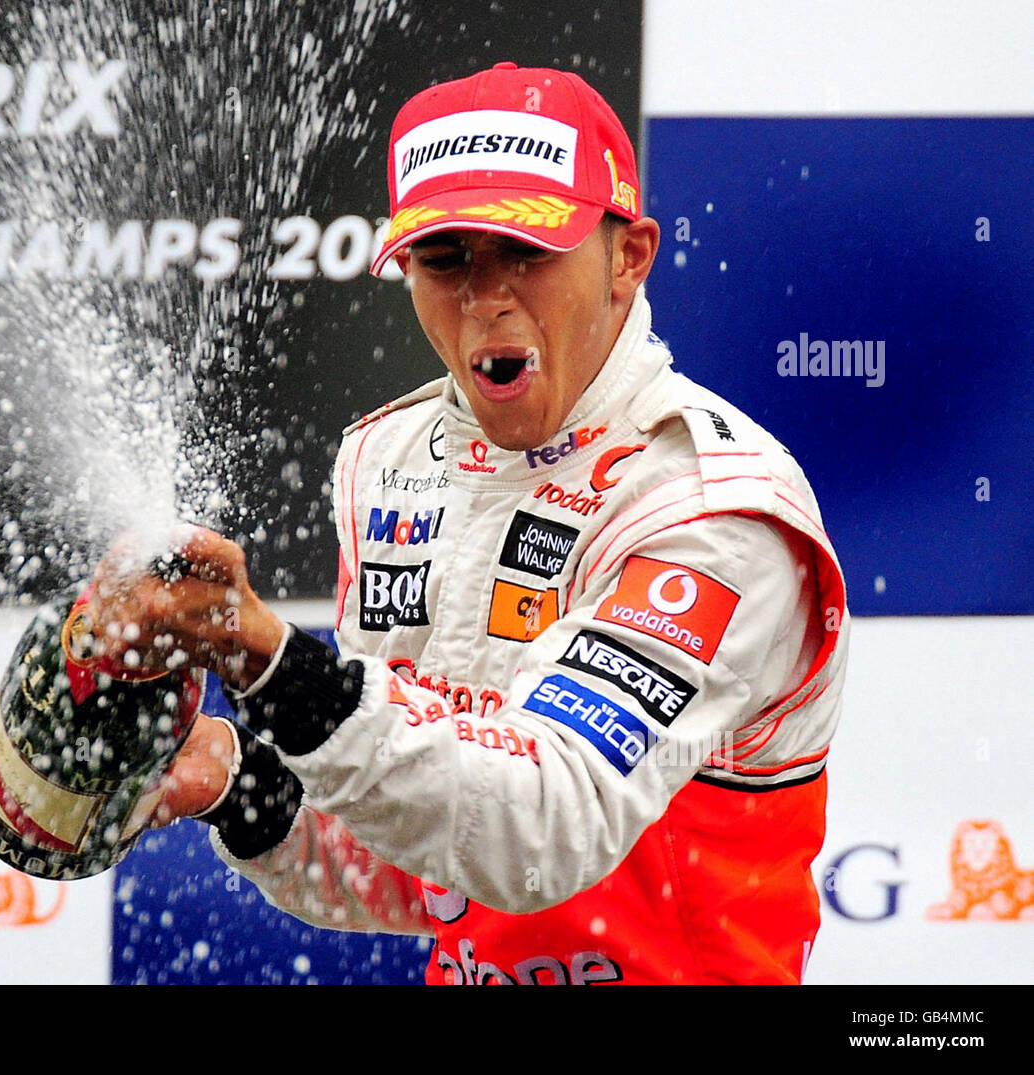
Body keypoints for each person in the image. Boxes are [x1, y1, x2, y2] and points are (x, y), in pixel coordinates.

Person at [85, 62, 849, 984]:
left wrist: (267, 661)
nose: (486, 296)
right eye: (446, 259)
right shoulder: (389, 463)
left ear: (629, 258)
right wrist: (233, 779)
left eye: (526, 251)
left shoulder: (713, 511)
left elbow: (538, 826)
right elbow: (431, 862)